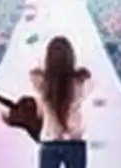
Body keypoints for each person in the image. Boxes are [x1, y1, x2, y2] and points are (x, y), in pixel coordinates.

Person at [29, 36, 92, 168]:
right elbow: (88, 78)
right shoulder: (80, 82)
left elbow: (33, 71)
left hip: (50, 142)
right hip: (75, 141)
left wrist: (49, 67)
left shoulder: (43, 83)